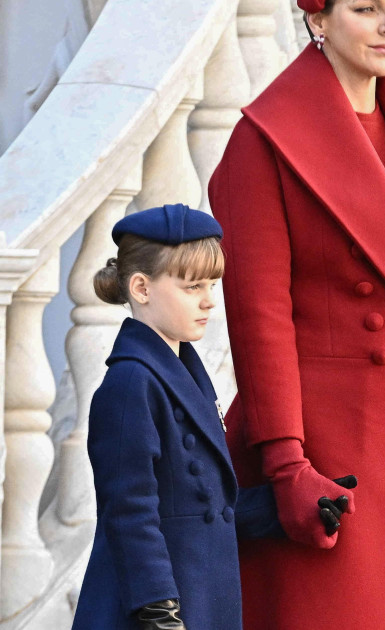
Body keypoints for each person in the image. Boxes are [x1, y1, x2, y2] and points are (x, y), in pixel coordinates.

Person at [208, 0, 385, 627]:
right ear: (317, 19)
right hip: (329, 458)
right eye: (366, 8)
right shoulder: (264, 140)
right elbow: (260, 318)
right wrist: (286, 466)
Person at [73, 204, 286, 630]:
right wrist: (158, 613)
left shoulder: (186, 374)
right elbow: (129, 513)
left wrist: (292, 509)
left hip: (202, 600)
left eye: (211, 284)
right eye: (191, 287)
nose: (209, 301)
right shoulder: (131, 383)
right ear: (141, 287)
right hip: (153, 612)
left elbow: (207, 504)